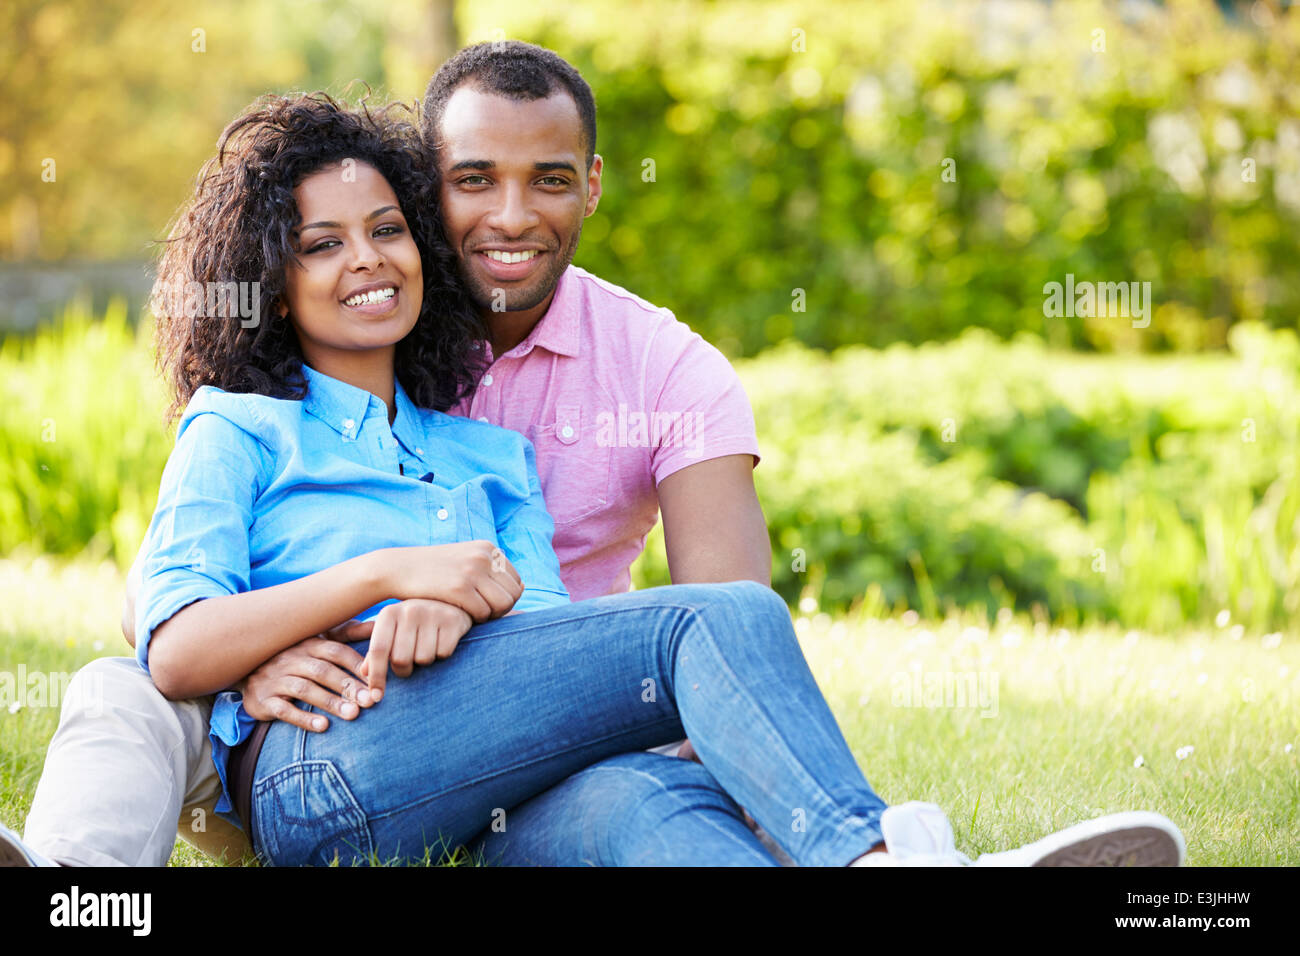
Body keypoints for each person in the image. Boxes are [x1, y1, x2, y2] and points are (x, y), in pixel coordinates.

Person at [1, 43, 1185, 868]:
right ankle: (891, 856)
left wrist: (468, 613)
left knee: (644, 800)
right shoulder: (240, 422)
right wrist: (376, 586)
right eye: (321, 244)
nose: (367, 259)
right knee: (711, 618)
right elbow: (169, 640)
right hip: (324, 773)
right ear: (275, 276)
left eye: (384, 230)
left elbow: (555, 666)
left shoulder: (483, 455)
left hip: (495, 799)